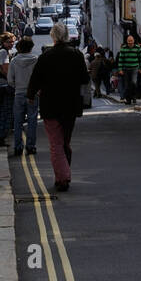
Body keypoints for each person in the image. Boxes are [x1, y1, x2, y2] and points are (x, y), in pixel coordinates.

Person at [27, 22, 89, 191]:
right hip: (70, 106)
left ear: (53, 36)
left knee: (56, 144)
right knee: (64, 143)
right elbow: (84, 78)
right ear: (67, 36)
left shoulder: (46, 56)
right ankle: (63, 175)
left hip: (51, 105)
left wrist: (31, 95)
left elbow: (35, 78)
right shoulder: (76, 54)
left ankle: (62, 178)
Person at [8, 36, 40, 156]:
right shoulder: (36, 60)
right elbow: (39, 78)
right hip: (33, 95)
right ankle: (31, 146)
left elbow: (10, 80)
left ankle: (18, 147)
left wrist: (17, 86)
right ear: (31, 48)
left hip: (19, 94)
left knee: (18, 121)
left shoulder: (14, 61)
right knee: (32, 121)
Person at [0, 32, 16, 148]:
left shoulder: (2, 51)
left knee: (3, 112)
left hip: (2, 85)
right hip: (4, 86)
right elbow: (6, 70)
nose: (12, 43)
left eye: (12, 41)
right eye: (9, 42)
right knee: (4, 112)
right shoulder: (3, 53)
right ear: (4, 42)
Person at [117, 34, 141, 104]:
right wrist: (120, 69)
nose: (130, 42)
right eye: (129, 41)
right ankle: (128, 99)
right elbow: (120, 60)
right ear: (127, 41)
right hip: (126, 69)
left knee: (134, 83)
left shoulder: (137, 48)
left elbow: (140, 59)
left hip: (135, 68)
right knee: (127, 85)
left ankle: (134, 96)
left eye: (131, 41)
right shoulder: (123, 48)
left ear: (133, 41)